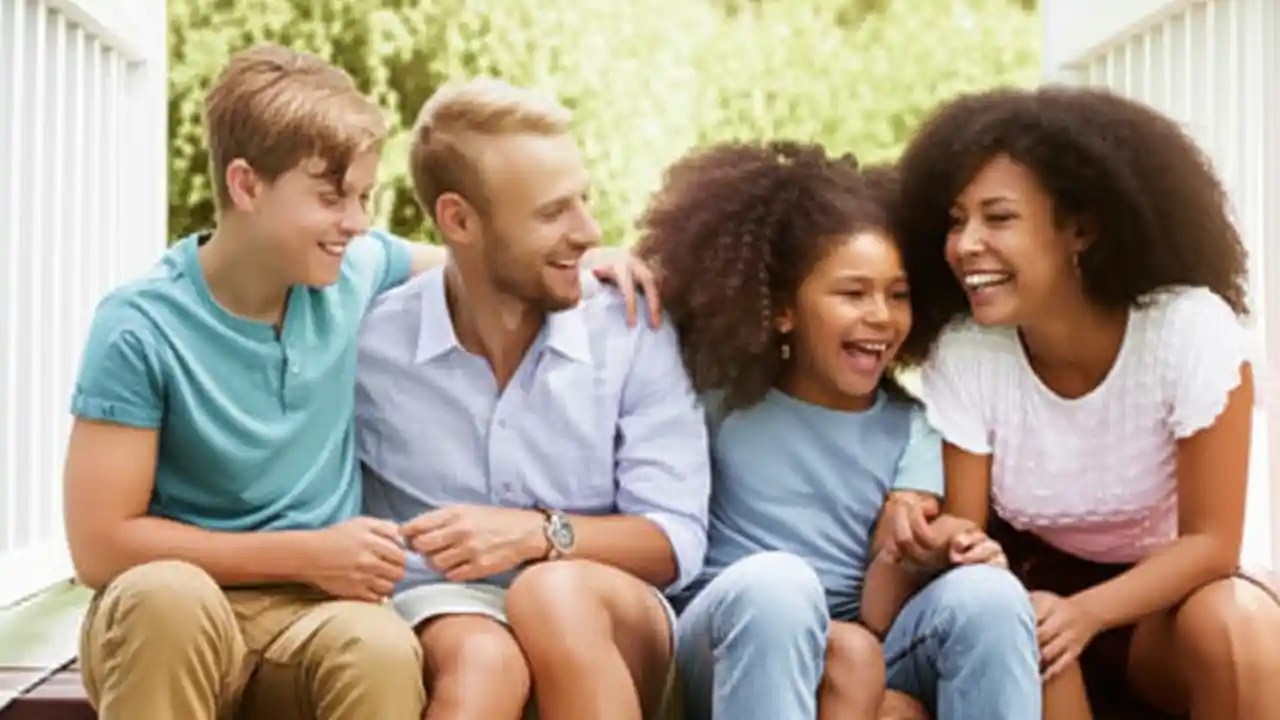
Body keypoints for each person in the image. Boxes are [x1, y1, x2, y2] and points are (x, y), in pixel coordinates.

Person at [63, 46, 656, 720]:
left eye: (364, 197)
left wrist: (583, 259)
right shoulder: (140, 327)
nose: (357, 221)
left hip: (315, 618)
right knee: (167, 599)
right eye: (330, 198)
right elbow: (100, 547)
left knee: (377, 645)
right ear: (246, 186)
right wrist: (306, 553)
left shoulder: (353, 270)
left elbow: (479, 259)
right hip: (179, 610)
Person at [894, 85, 1280, 720]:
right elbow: (968, 524)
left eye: (998, 218)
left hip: (1172, 602)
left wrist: (1090, 613)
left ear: (1082, 228)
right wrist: (928, 533)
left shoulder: (1189, 330)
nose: (964, 244)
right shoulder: (968, 352)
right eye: (957, 221)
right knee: (1027, 629)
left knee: (1236, 627)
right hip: (1036, 597)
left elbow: (1213, 543)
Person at [634, 140, 1042, 720]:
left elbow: (879, 613)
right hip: (732, 643)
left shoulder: (915, 430)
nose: (881, 315)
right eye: (853, 293)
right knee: (780, 585)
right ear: (782, 309)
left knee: (991, 597)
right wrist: (609, 267)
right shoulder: (714, 400)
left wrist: (916, 552)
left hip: (861, 648)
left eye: (898, 295)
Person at [354, 77, 710, 720]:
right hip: (446, 608)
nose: (589, 231)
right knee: (481, 661)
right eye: (552, 214)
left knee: (553, 594)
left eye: (583, 202)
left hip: (605, 608)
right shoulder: (371, 346)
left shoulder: (630, 326)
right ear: (458, 220)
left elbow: (674, 540)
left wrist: (536, 535)